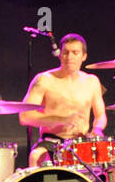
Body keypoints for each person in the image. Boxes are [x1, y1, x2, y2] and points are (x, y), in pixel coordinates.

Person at [19, 34, 107, 167]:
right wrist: (62, 119)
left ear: (84, 56)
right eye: (66, 52)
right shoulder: (44, 79)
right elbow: (25, 117)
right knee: (35, 156)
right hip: (52, 142)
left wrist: (97, 128)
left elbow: (100, 115)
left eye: (75, 52)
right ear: (60, 55)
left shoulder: (92, 81)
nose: (69, 57)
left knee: (114, 163)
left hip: (82, 142)